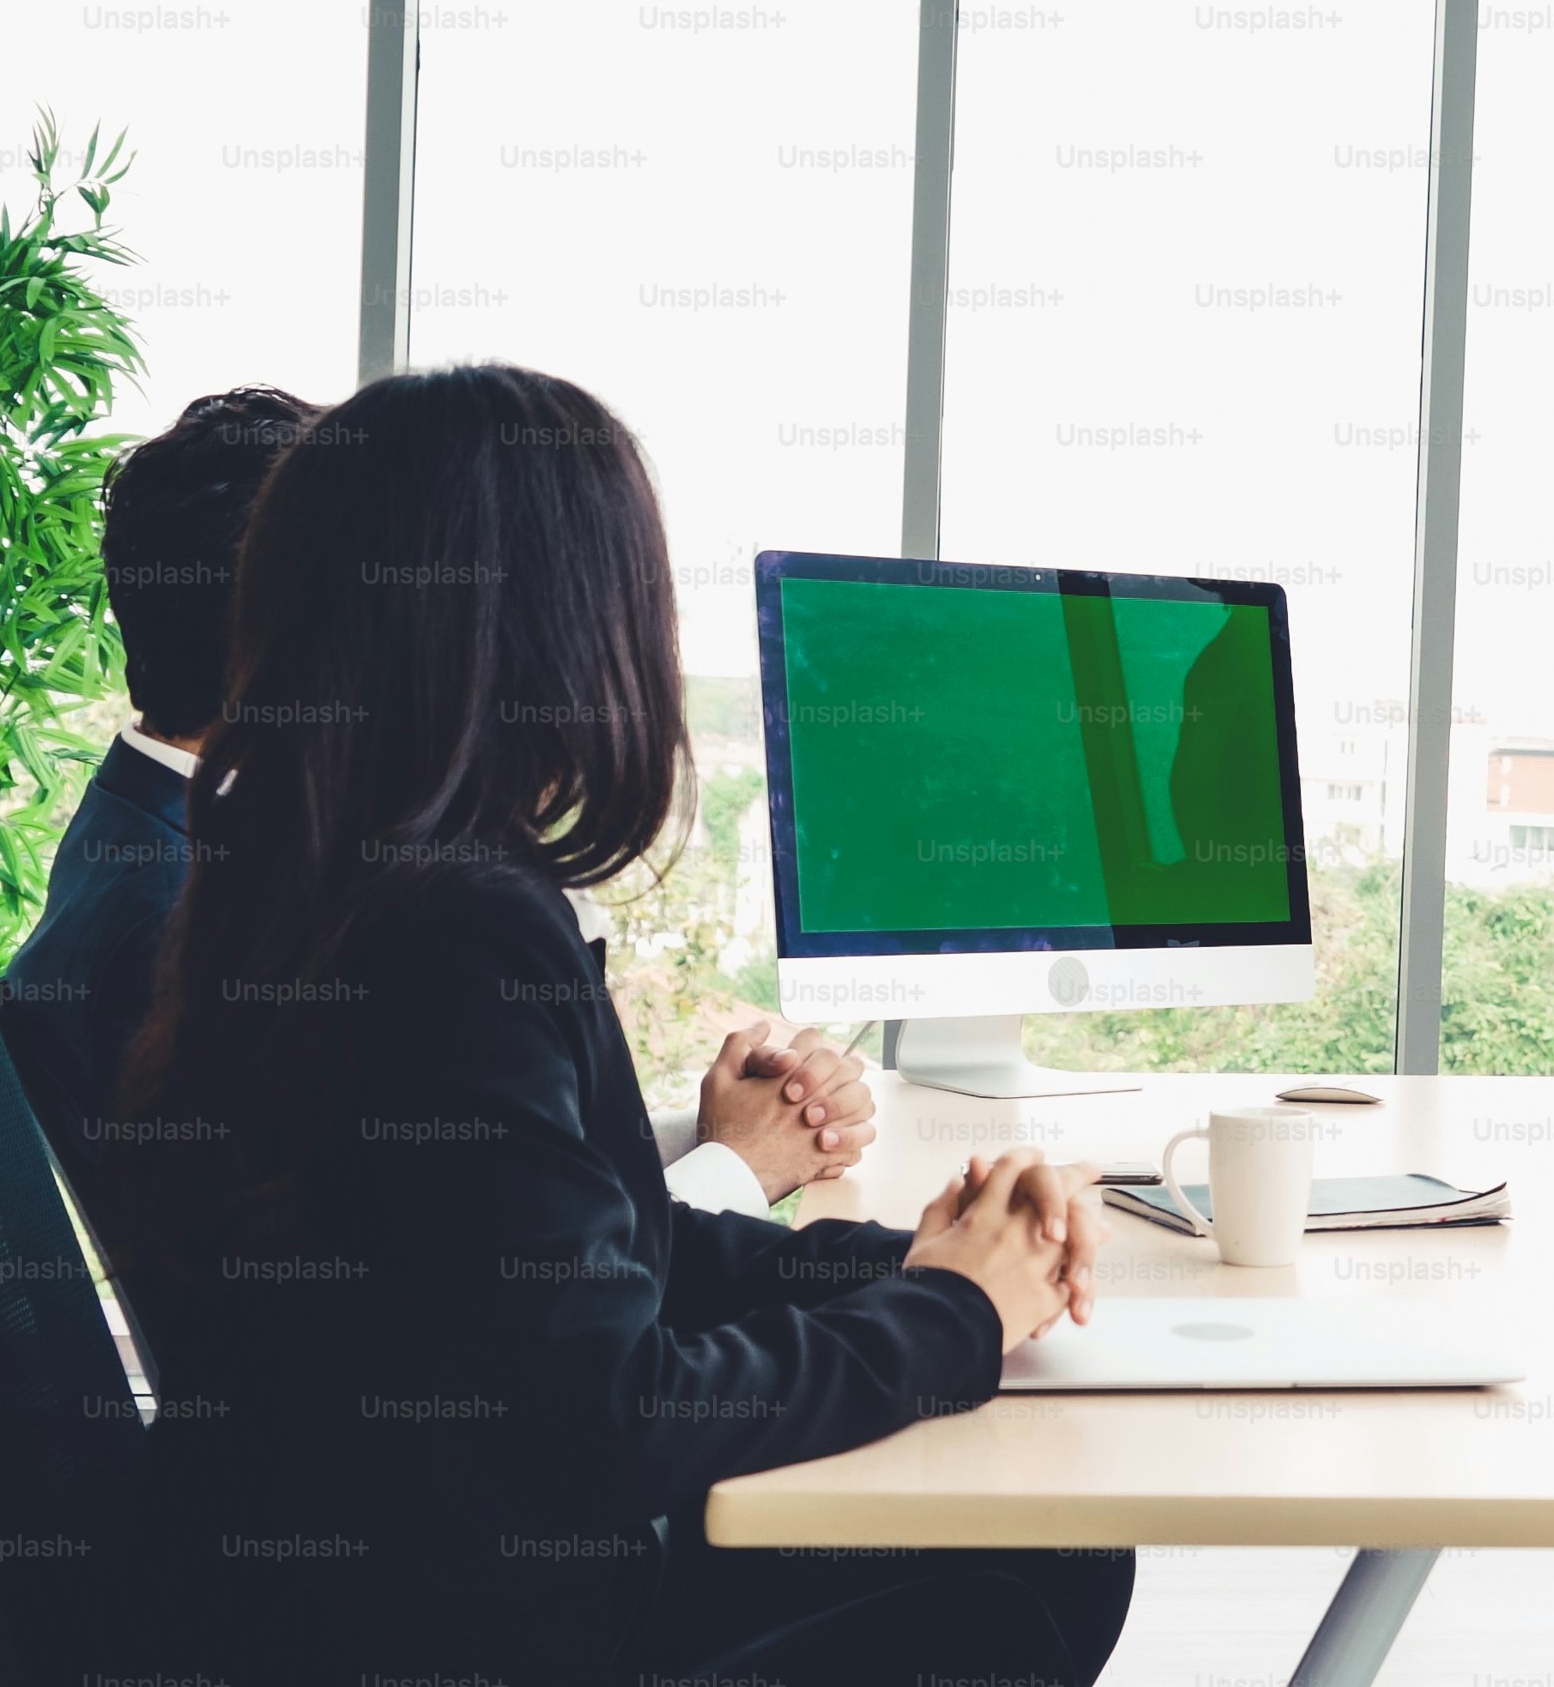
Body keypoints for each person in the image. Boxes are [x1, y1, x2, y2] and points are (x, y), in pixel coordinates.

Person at [93, 366, 1131, 1687]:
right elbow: (606, 1411)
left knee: (1046, 1550)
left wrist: (899, 1264)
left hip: (364, 1599)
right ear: (559, 623)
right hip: (463, 1627)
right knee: (1026, 1573)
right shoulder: (453, 928)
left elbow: (573, 1261)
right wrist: (953, 1319)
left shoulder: (314, 874)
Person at [0, 386, 869, 1231]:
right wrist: (740, 1169)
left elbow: (446, 1194)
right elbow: (454, 1306)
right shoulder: (186, 919)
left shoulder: (146, 840)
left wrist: (718, 1136)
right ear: (301, 628)